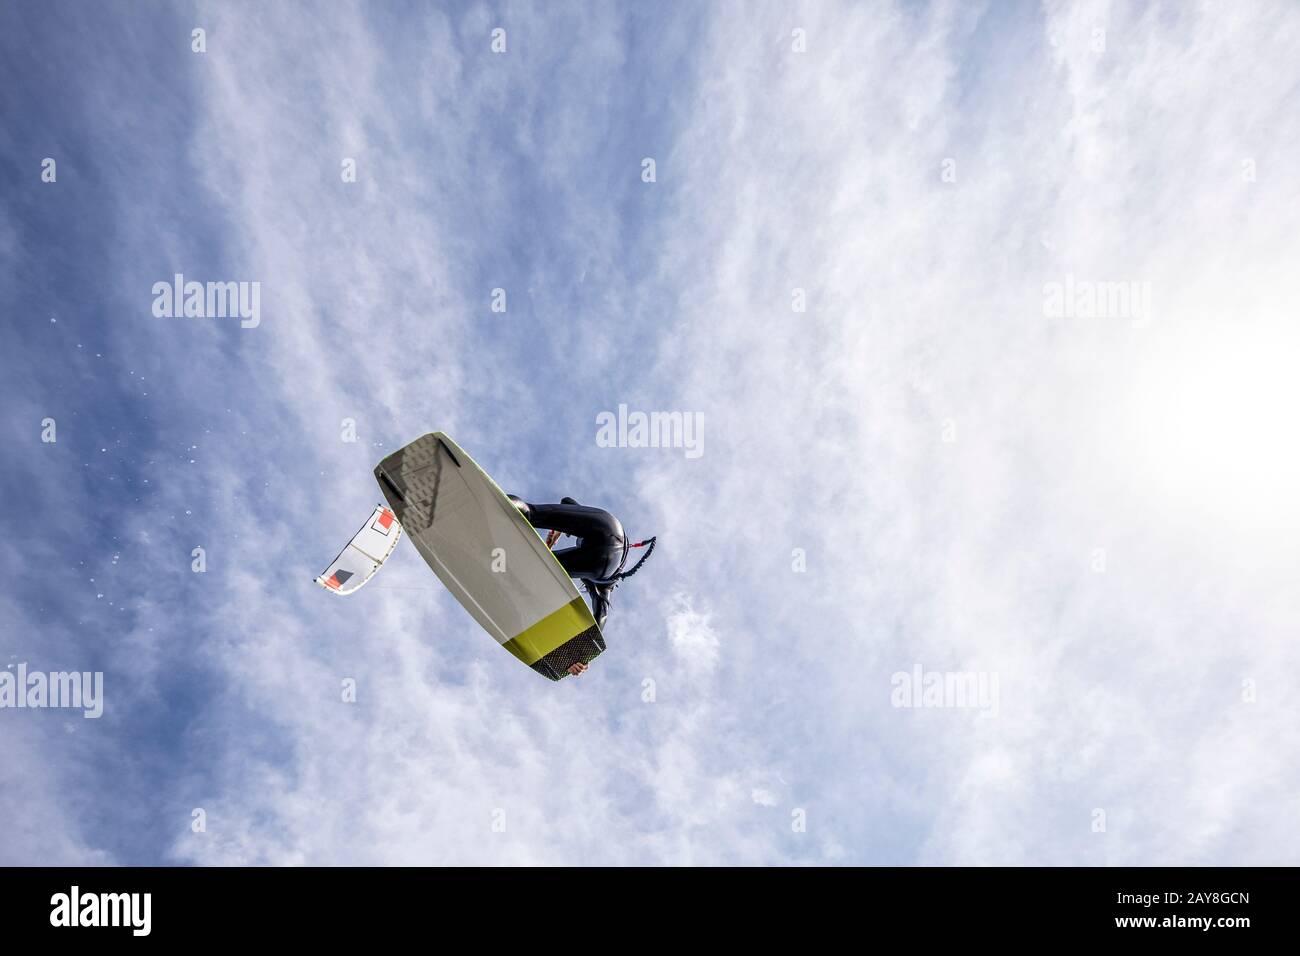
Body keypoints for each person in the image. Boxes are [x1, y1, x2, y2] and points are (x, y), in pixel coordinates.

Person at [507, 494, 653, 677]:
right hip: (606, 562)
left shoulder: (604, 582)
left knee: (529, 513)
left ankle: (490, 500)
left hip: (607, 523)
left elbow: (567, 502)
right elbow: (601, 616)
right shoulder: (605, 584)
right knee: (537, 569)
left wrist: (556, 532)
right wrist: (580, 657)